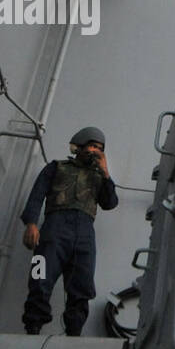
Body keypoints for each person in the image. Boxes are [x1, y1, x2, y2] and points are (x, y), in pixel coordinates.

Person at [20, 126, 118, 335]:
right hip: (54, 228)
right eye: (92, 145)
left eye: (99, 148)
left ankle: (74, 331)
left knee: (82, 284)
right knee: (40, 275)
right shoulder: (56, 167)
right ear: (80, 145)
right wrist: (31, 223)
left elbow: (110, 203)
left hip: (84, 232)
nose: (95, 151)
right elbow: (36, 196)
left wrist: (106, 173)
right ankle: (33, 325)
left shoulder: (98, 176)